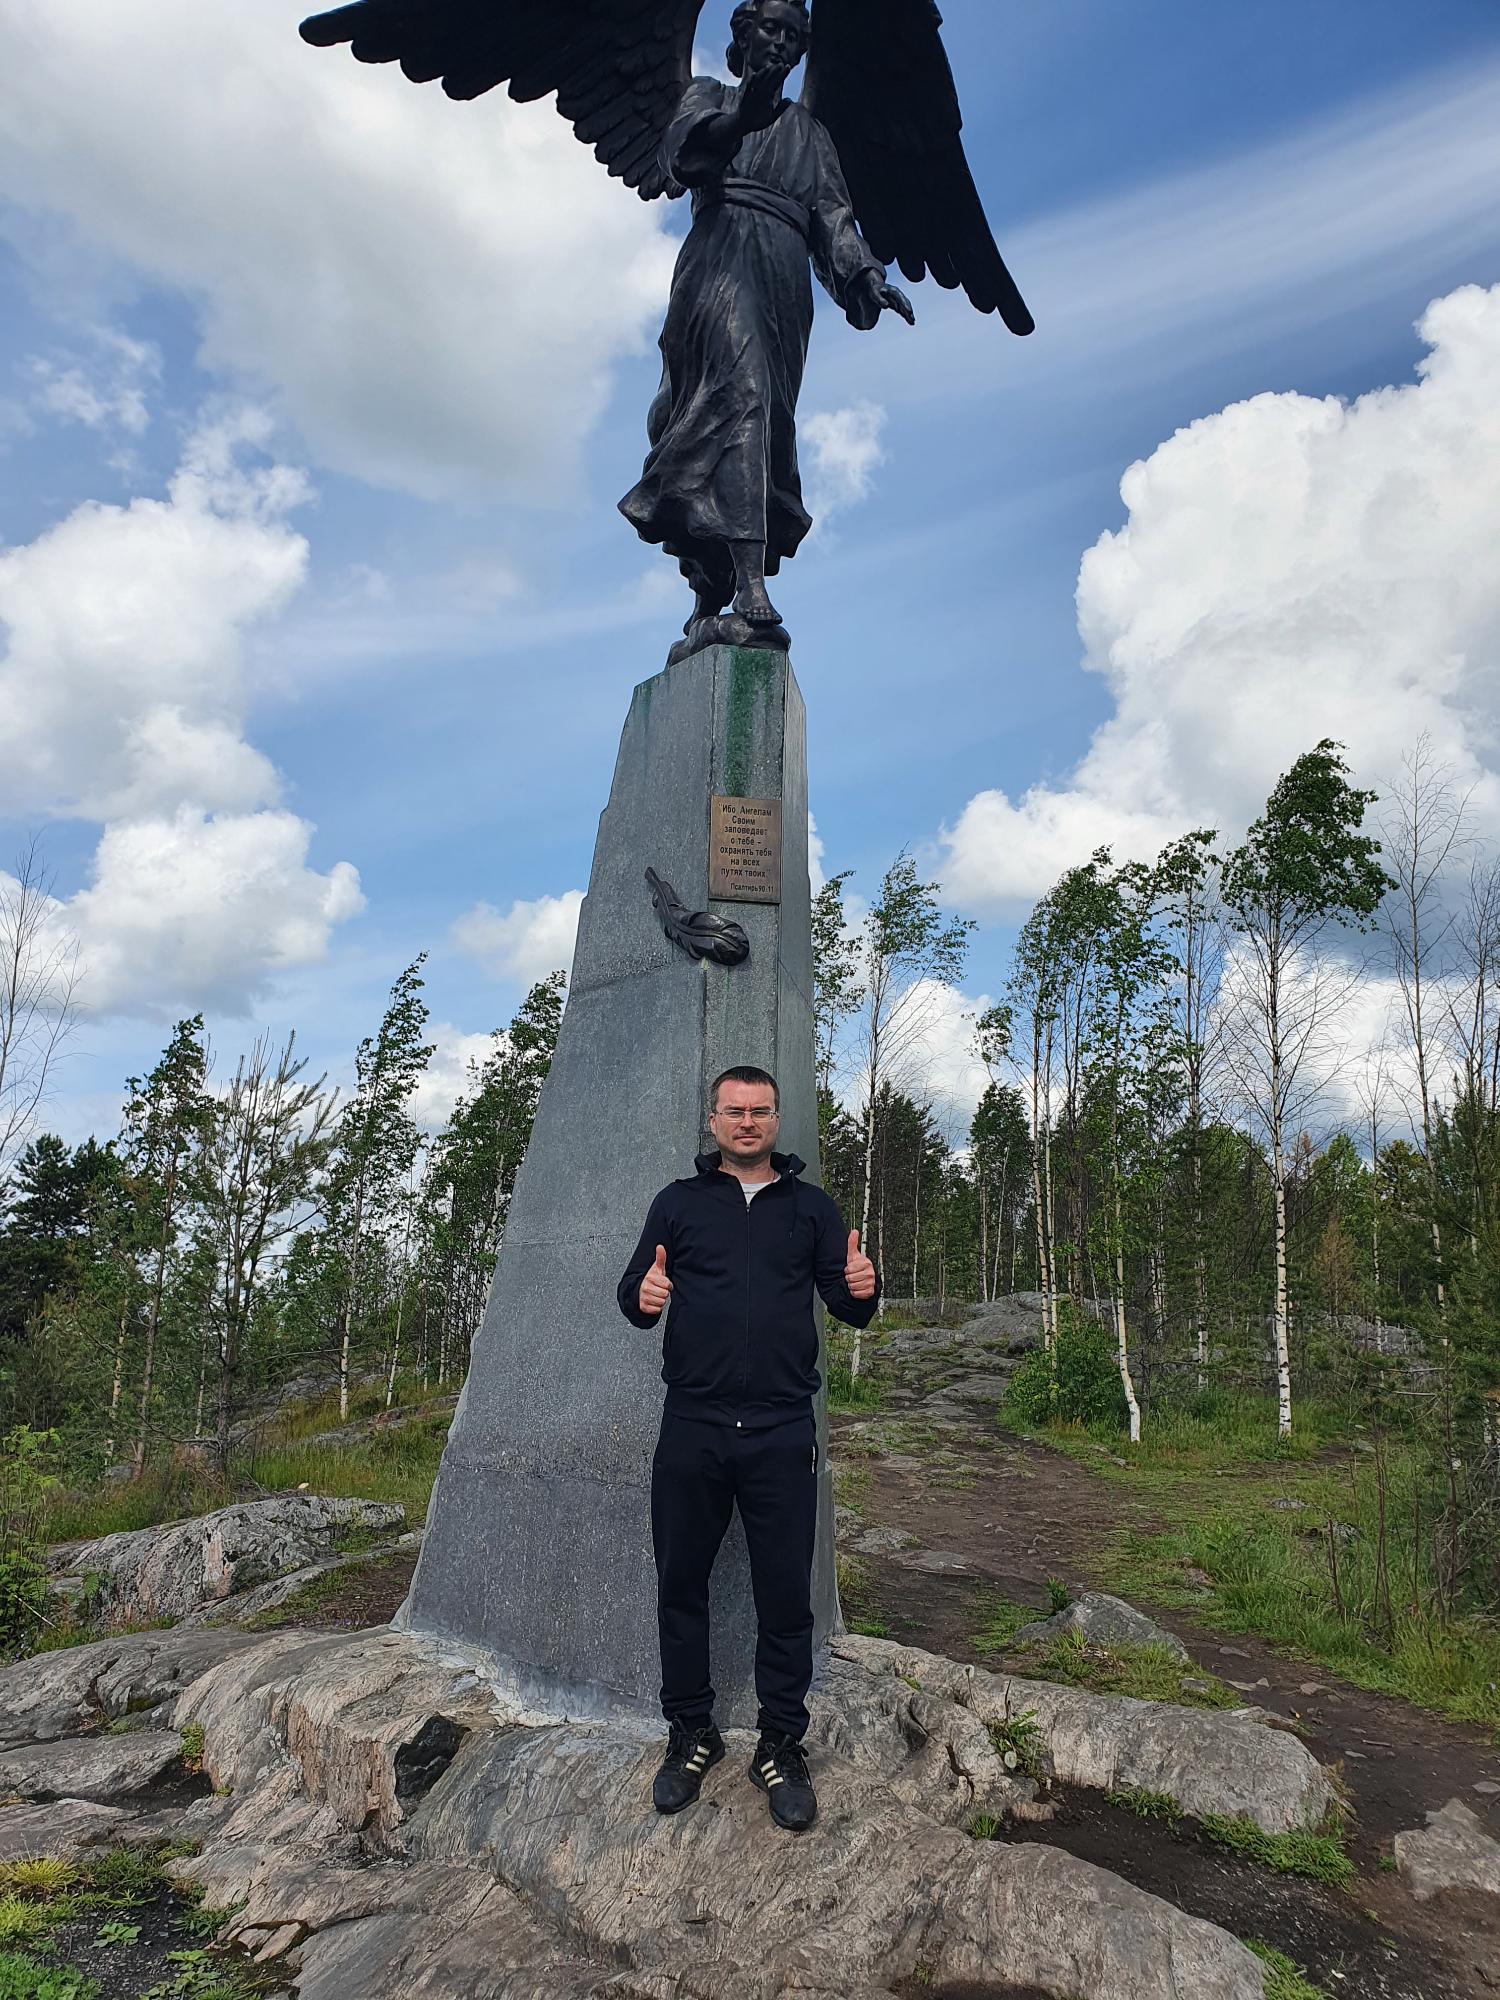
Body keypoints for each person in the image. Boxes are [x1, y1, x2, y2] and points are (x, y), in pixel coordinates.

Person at [617, 1064, 880, 1832]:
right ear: (713, 1121)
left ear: (776, 1119)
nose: (746, 1123)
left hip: (779, 1430)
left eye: (760, 1111)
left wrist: (863, 1285)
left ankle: (781, 1745)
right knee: (682, 1586)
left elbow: (848, 1306)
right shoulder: (678, 1203)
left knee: (785, 1598)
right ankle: (690, 1733)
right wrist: (643, 1295)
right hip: (692, 1427)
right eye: (734, 1111)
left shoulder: (810, 1209)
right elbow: (634, 1289)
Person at [617, 0, 913, 655]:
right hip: (719, 266)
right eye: (769, 31)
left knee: (768, 423)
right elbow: (682, 157)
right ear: (746, 38)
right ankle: (751, 591)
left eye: (790, 36)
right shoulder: (708, 96)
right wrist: (737, 118)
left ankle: (711, 584)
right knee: (740, 397)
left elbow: (833, 219)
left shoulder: (809, 134)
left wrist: (864, 276)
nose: (779, 45)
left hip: (784, 285)